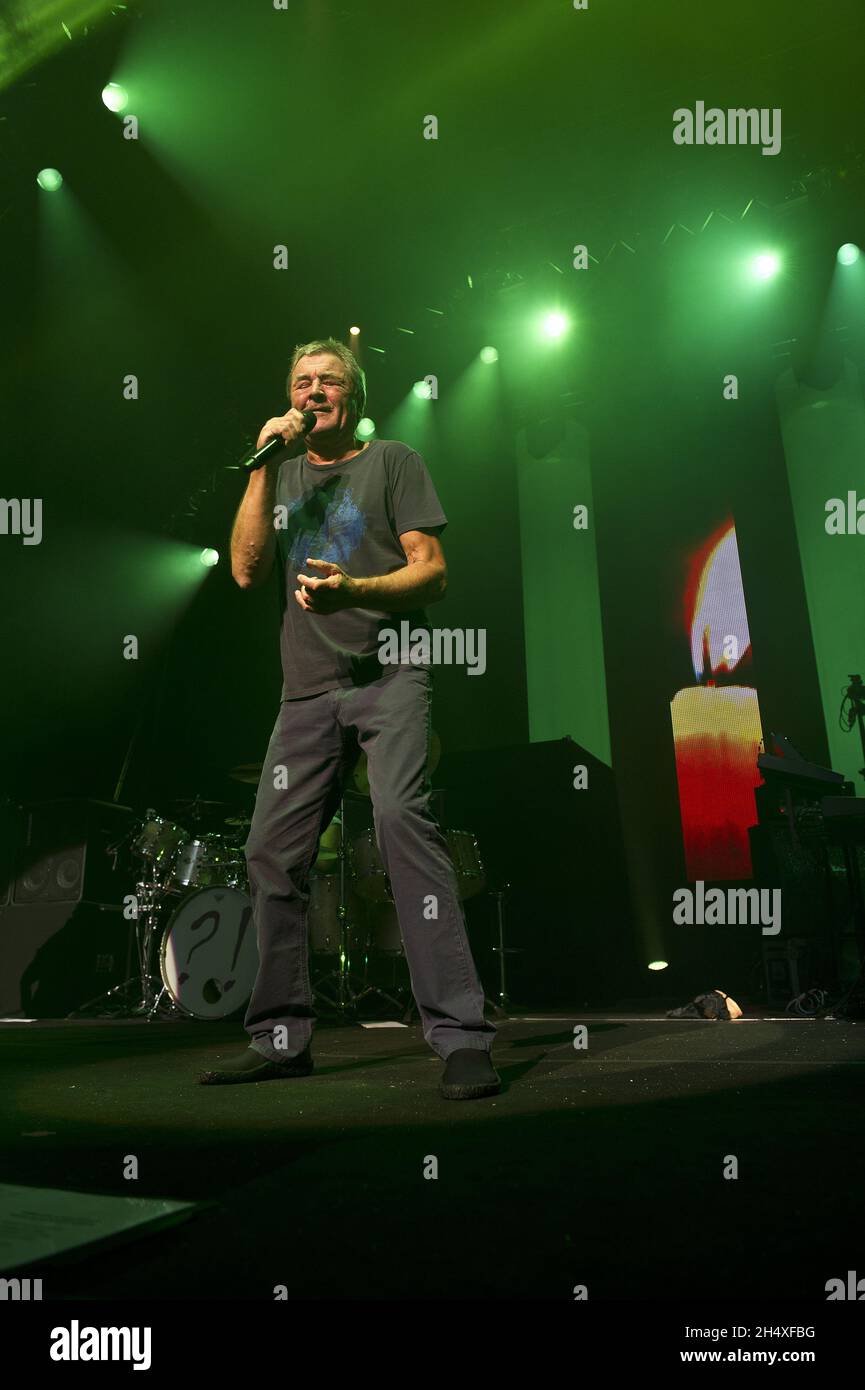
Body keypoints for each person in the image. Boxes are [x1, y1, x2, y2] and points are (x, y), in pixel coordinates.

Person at [199, 338, 499, 1099]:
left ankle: (461, 1038)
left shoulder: (392, 461)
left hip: (388, 677)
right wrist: (264, 460)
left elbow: (430, 573)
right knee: (269, 852)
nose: (313, 391)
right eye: (300, 381)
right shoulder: (283, 470)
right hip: (305, 692)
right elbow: (242, 569)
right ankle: (278, 1039)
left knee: (402, 822)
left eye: (328, 380)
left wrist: (354, 590)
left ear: (353, 397)